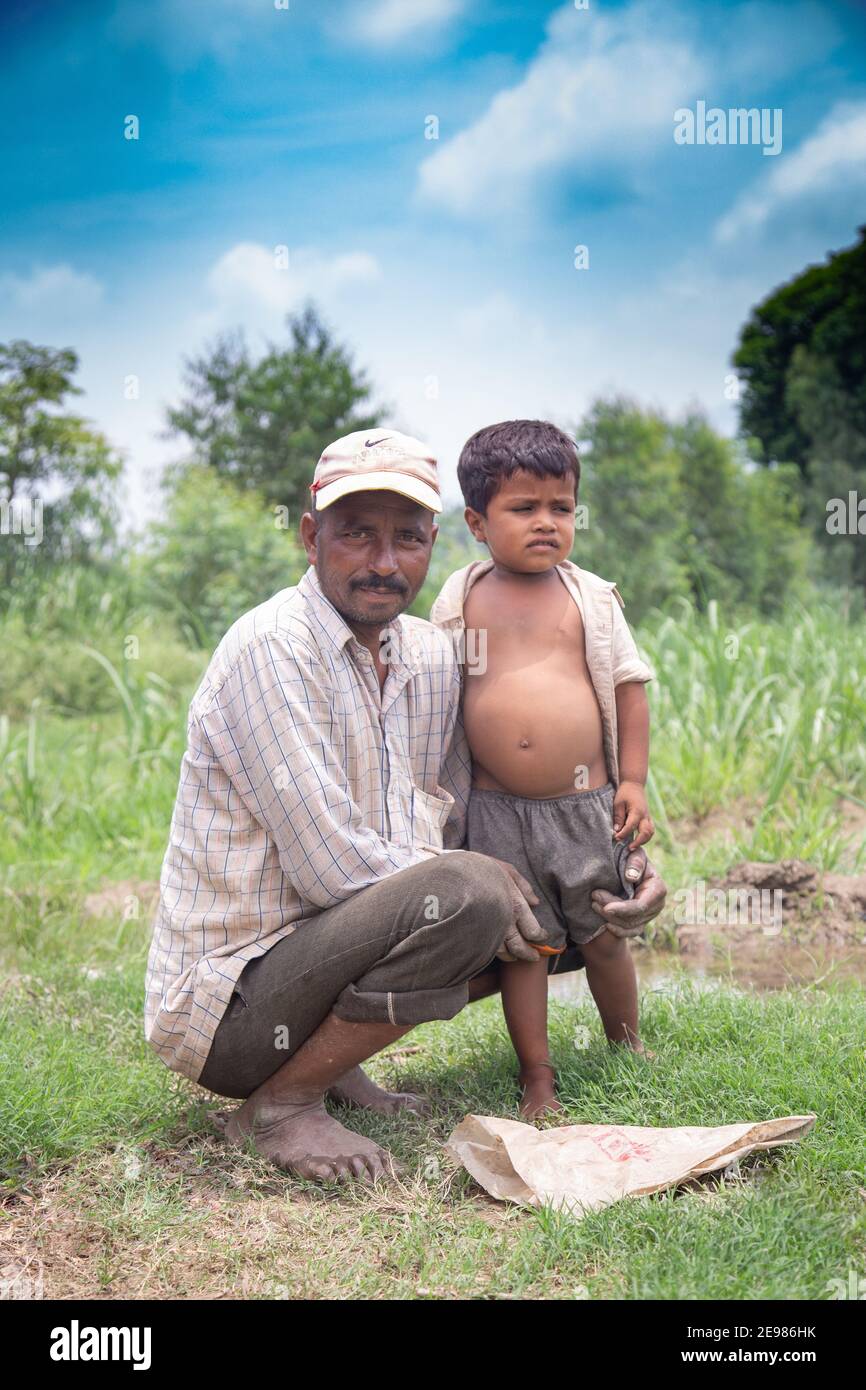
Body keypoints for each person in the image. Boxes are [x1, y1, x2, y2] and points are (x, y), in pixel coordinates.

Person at [144, 428, 667, 1182]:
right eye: (357, 535)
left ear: (435, 545)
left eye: (408, 538)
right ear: (310, 536)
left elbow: (468, 812)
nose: (385, 563)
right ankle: (280, 1106)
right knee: (475, 891)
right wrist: (489, 885)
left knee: (502, 889)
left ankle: (333, 1072)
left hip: (318, 960)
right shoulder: (272, 649)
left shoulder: (428, 655)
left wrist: (614, 863)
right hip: (233, 1010)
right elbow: (335, 869)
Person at [430, 420, 655, 1119]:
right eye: (523, 509)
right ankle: (537, 1076)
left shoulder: (589, 597)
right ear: (476, 521)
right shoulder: (460, 599)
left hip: (585, 806)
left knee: (606, 932)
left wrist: (635, 782)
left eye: (561, 507)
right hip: (495, 813)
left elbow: (629, 685)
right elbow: (436, 693)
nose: (546, 523)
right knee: (524, 948)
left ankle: (628, 1047)